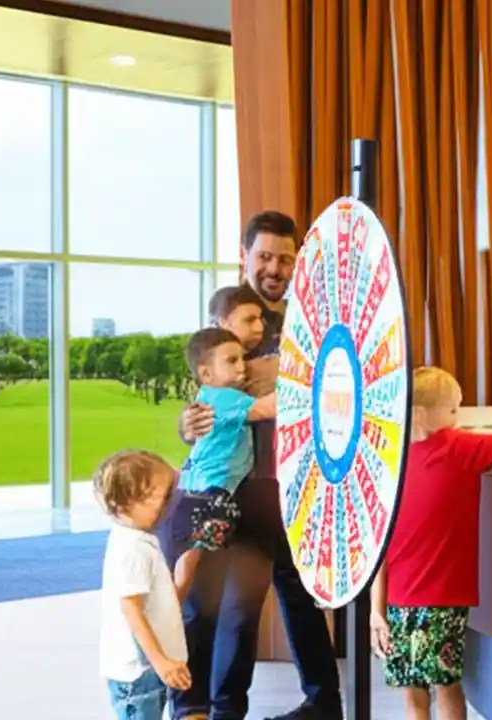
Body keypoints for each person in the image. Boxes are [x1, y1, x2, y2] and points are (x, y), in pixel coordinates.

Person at [178, 211, 343, 720]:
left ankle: (323, 702)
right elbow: (202, 405)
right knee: (231, 606)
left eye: (285, 258)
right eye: (265, 256)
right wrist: (188, 424)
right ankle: (209, 706)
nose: (275, 267)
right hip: (238, 491)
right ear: (244, 255)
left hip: (293, 482)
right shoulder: (223, 327)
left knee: (299, 594)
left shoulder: (306, 321)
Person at [369, 367, 492, 720]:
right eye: (454, 410)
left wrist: (375, 609)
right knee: (446, 686)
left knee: (415, 696)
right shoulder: (458, 446)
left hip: (398, 600)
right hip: (440, 597)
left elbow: (380, 547)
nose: (461, 417)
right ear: (425, 414)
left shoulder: (389, 461)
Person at [168, 319, 275, 598]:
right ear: (206, 374)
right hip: (208, 492)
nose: (242, 366)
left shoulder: (215, 397)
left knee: (195, 567)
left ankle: (173, 605)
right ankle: (171, 607)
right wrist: (304, 385)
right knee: (190, 565)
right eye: (231, 360)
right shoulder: (223, 398)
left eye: (243, 358)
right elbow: (266, 409)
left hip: (205, 490)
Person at [95, 449, 192, 720]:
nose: (167, 505)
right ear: (126, 505)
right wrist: (161, 663)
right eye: (160, 498)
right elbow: (132, 610)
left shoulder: (136, 537)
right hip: (140, 673)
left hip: (147, 671)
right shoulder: (133, 549)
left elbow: (153, 601)